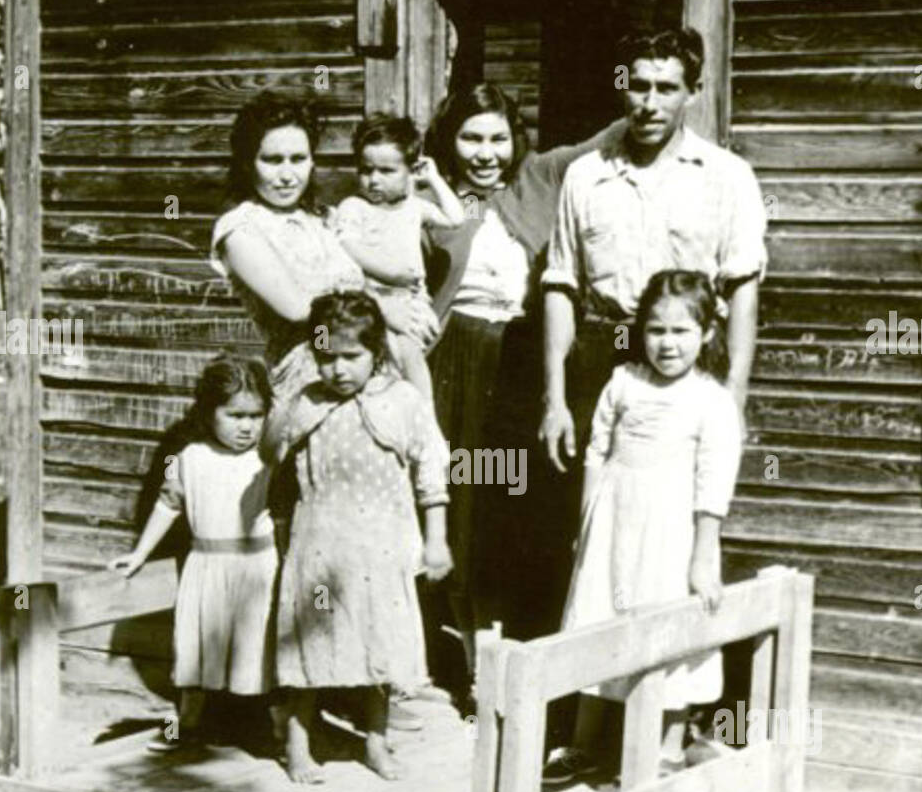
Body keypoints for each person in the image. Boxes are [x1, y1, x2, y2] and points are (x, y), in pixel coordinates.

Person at [537, 28, 766, 621]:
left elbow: (742, 287)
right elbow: (561, 283)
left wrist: (734, 395)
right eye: (638, 85)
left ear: (692, 91)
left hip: (687, 361)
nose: (650, 101)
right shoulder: (586, 176)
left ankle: (671, 699)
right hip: (602, 354)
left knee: (684, 528)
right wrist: (557, 397)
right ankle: (594, 698)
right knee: (594, 527)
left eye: (667, 87)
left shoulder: (726, 175)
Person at [421, 83, 626, 694]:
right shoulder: (428, 195)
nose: (485, 153)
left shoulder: (543, 176)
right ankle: (462, 666)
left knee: (511, 508)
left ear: (516, 139)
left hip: (522, 361)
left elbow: (614, 135)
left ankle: (524, 662)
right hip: (452, 361)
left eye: (497, 138)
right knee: (457, 501)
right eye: (471, 138)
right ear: (449, 140)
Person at [544, 271, 742, 783]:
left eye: (681, 331)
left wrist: (704, 553)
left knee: (670, 624)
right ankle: (584, 743)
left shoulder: (711, 400)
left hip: (671, 532)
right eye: (656, 330)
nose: (667, 343)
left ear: (707, 334)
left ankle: (668, 745)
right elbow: (597, 449)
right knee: (598, 617)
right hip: (614, 523)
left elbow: (714, 482)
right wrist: (588, 521)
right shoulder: (624, 381)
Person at [262, 292, 453, 785]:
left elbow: (432, 469)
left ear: (377, 353)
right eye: (326, 358)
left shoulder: (403, 402)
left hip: (380, 546)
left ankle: (376, 739)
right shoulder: (307, 402)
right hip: (320, 543)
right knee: (309, 641)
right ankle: (298, 745)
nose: (339, 370)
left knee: (380, 643)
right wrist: (284, 405)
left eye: (352, 357)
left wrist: (437, 541)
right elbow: (270, 455)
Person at [109, 354, 280, 747]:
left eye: (256, 416)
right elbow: (168, 505)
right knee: (195, 647)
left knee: (260, 645)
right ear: (209, 411)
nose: (246, 426)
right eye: (234, 415)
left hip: (258, 566)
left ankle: (274, 729)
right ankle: (185, 723)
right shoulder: (190, 457)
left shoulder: (269, 458)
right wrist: (138, 554)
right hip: (206, 566)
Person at [210, 92, 434, 390]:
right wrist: (384, 308)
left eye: (298, 159)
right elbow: (298, 307)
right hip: (313, 372)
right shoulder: (240, 229)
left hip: (368, 362)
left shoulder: (325, 218)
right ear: (248, 164)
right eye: (273, 160)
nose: (287, 175)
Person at [331, 113, 465, 404]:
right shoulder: (354, 207)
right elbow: (348, 246)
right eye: (366, 170)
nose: (374, 180)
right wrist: (392, 273)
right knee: (390, 358)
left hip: (412, 300)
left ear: (410, 170)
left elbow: (455, 218)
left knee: (407, 357)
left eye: (386, 171)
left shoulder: (414, 207)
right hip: (371, 298)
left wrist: (434, 178)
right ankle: (418, 413)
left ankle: (419, 414)